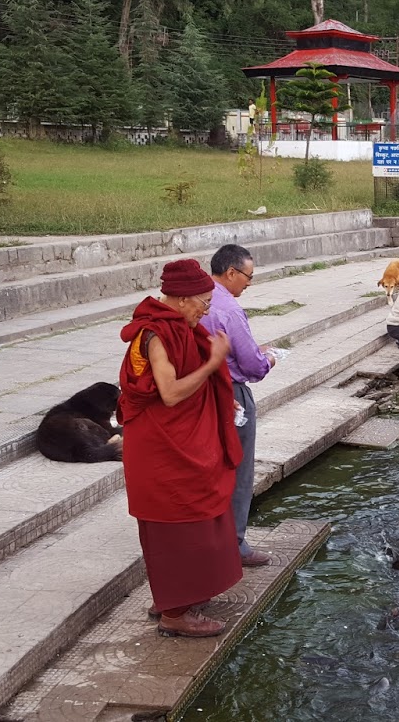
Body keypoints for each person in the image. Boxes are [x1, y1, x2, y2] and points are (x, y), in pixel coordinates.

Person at [118, 258, 241, 638]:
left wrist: (221, 398)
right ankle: (174, 614)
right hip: (161, 448)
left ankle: (173, 597)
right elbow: (170, 394)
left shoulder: (182, 329)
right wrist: (214, 365)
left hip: (176, 440)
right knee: (173, 528)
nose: (206, 310)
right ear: (184, 299)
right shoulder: (155, 335)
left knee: (190, 524)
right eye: (204, 302)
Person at [200, 244, 277, 568]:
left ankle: (210, 538)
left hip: (199, 394)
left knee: (211, 469)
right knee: (238, 468)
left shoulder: (198, 300)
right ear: (231, 272)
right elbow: (251, 365)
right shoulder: (228, 308)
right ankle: (235, 543)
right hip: (230, 393)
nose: (249, 283)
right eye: (248, 276)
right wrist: (268, 358)